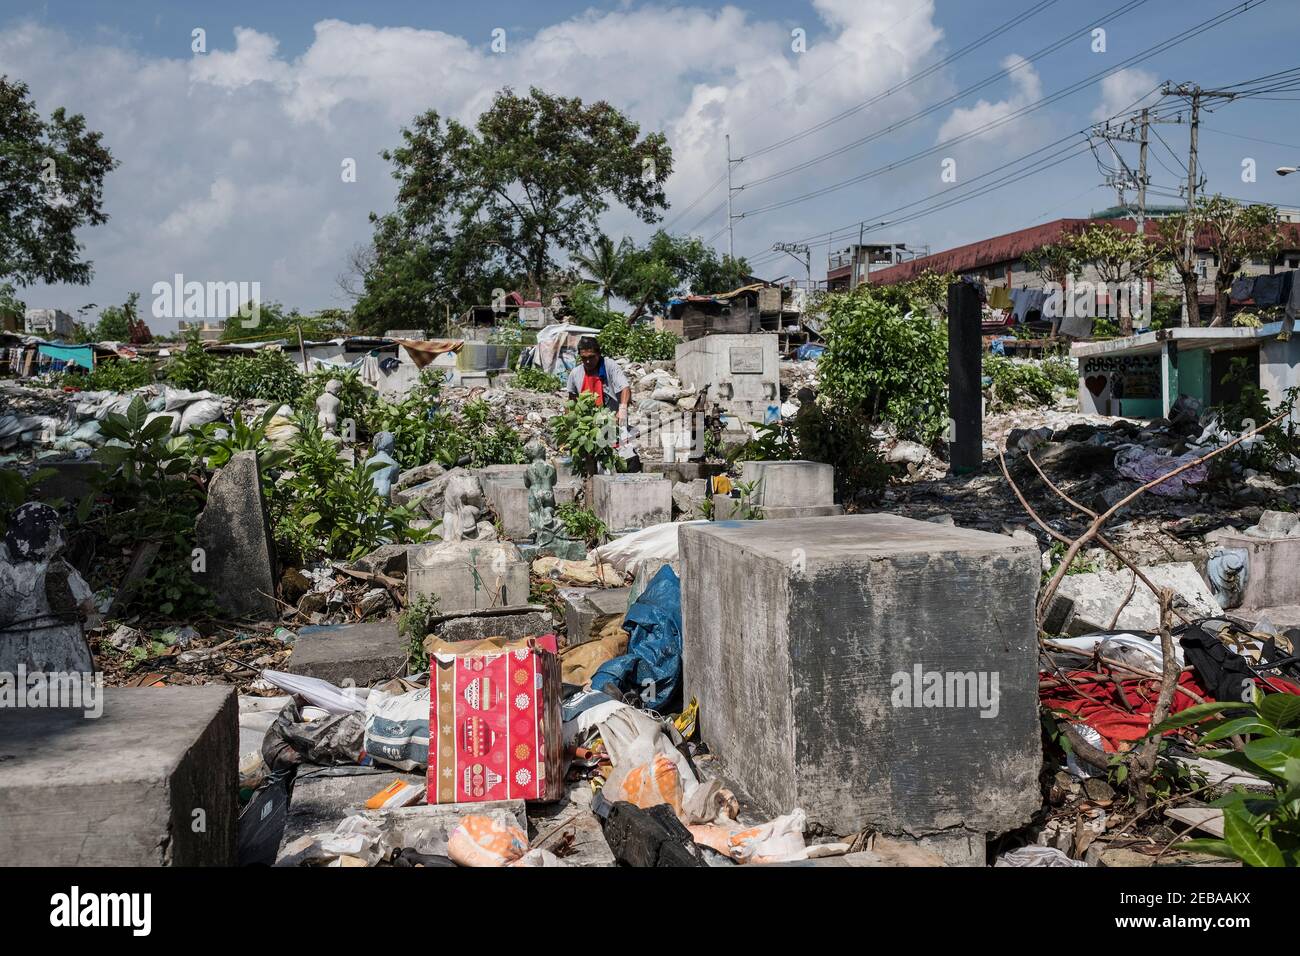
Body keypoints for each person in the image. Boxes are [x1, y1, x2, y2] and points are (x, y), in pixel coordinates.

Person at [566, 337, 631, 425]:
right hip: (588, 420)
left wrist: (622, 410)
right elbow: (571, 400)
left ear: (599, 354)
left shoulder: (609, 365)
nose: (588, 361)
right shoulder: (575, 373)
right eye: (584, 358)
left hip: (613, 417)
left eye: (591, 357)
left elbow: (625, 388)